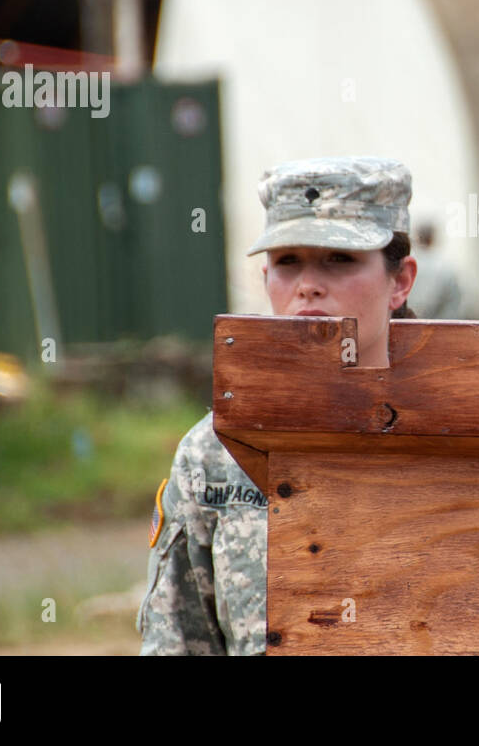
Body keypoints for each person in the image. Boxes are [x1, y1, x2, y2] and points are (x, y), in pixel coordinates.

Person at [137, 156, 417, 655]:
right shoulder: (214, 453)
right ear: (265, 277)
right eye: (288, 262)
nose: (308, 284)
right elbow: (178, 642)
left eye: (339, 258)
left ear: (400, 281)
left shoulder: (456, 438)